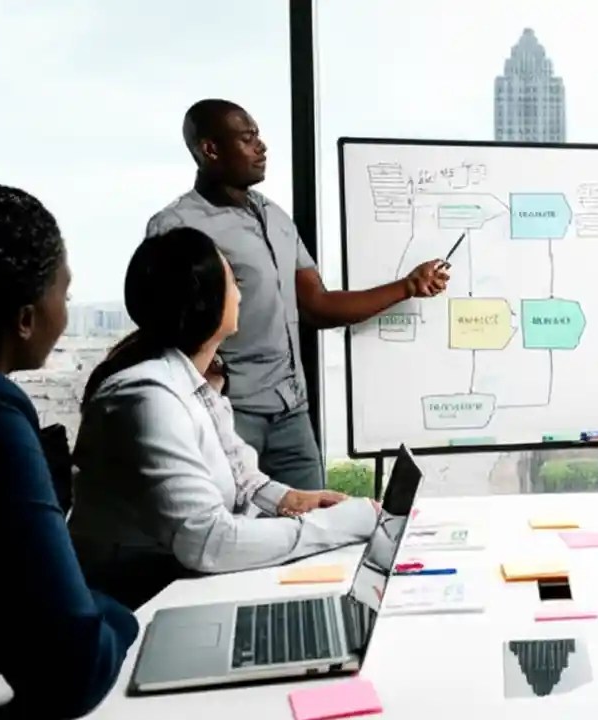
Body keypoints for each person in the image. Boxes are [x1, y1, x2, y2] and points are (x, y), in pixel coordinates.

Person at [145, 98, 450, 491]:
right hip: (230, 415)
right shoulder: (176, 226)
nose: (262, 146)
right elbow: (164, 329)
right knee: (236, 534)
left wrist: (408, 286)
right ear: (210, 149)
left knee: (316, 526)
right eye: (247, 137)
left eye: (258, 135)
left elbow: (317, 305)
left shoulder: (275, 217)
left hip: (292, 415)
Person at [69, 227, 379, 609]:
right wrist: (340, 526)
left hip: (175, 583)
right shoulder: (148, 398)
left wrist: (296, 500)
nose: (242, 293)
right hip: (134, 602)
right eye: (233, 279)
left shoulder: (197, 382)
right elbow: (207, 541)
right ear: (206, 299)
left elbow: (243, 479)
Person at [0, 179, 138, 717]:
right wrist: (115, 611)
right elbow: (71, 666)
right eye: (64, 291)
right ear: (24, 317)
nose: (67, 308)